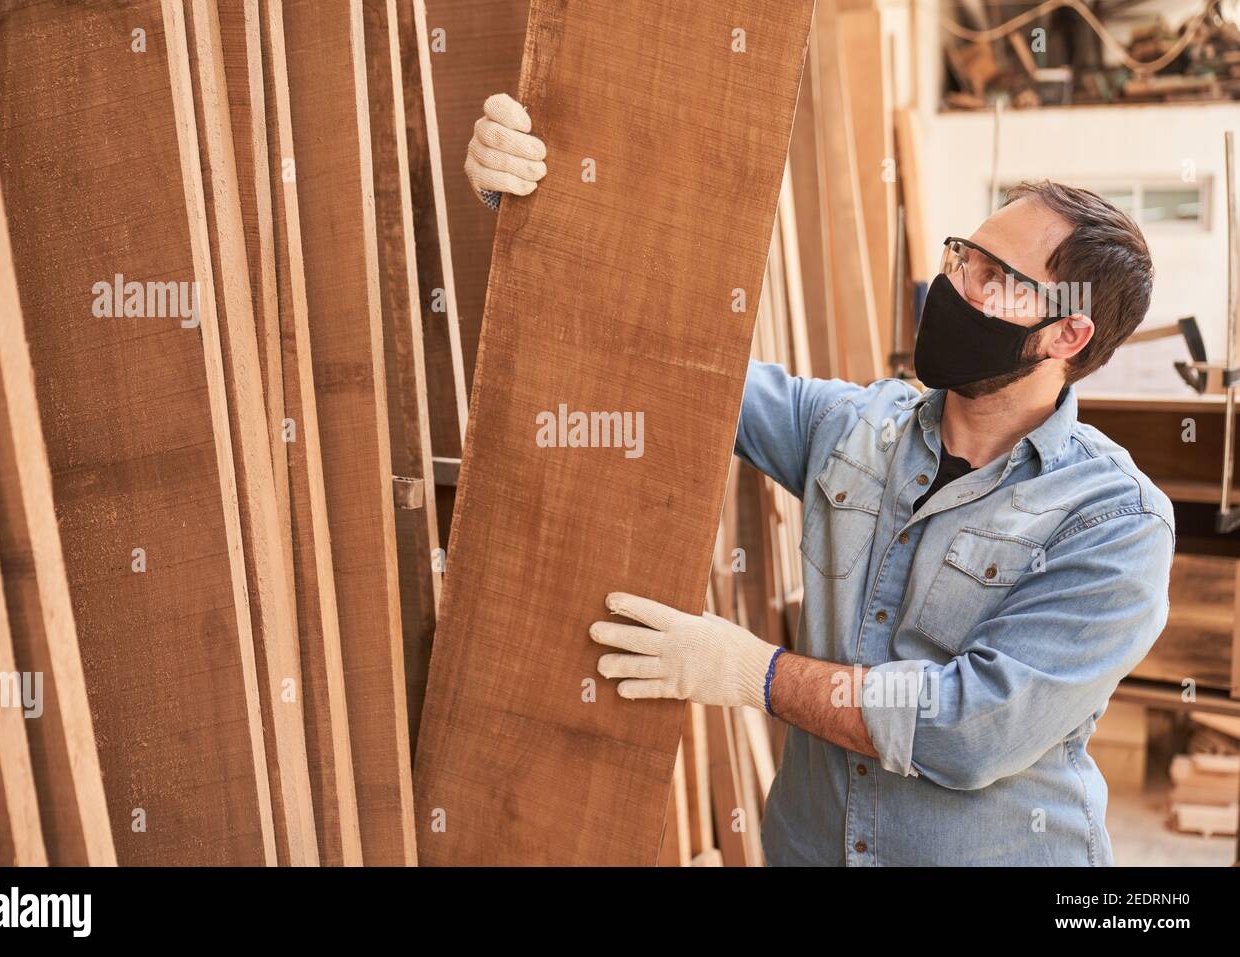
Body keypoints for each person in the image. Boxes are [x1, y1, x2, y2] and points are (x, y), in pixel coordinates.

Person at [465, 93, 1175, 866]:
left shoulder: (1113, 520)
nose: (957, 287)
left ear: (1067, 334)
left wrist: (753, 673)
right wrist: (537, 208)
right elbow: (669, 359)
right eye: (962, 258)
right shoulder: (853, 427)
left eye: (994, 277)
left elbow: (971, 727)